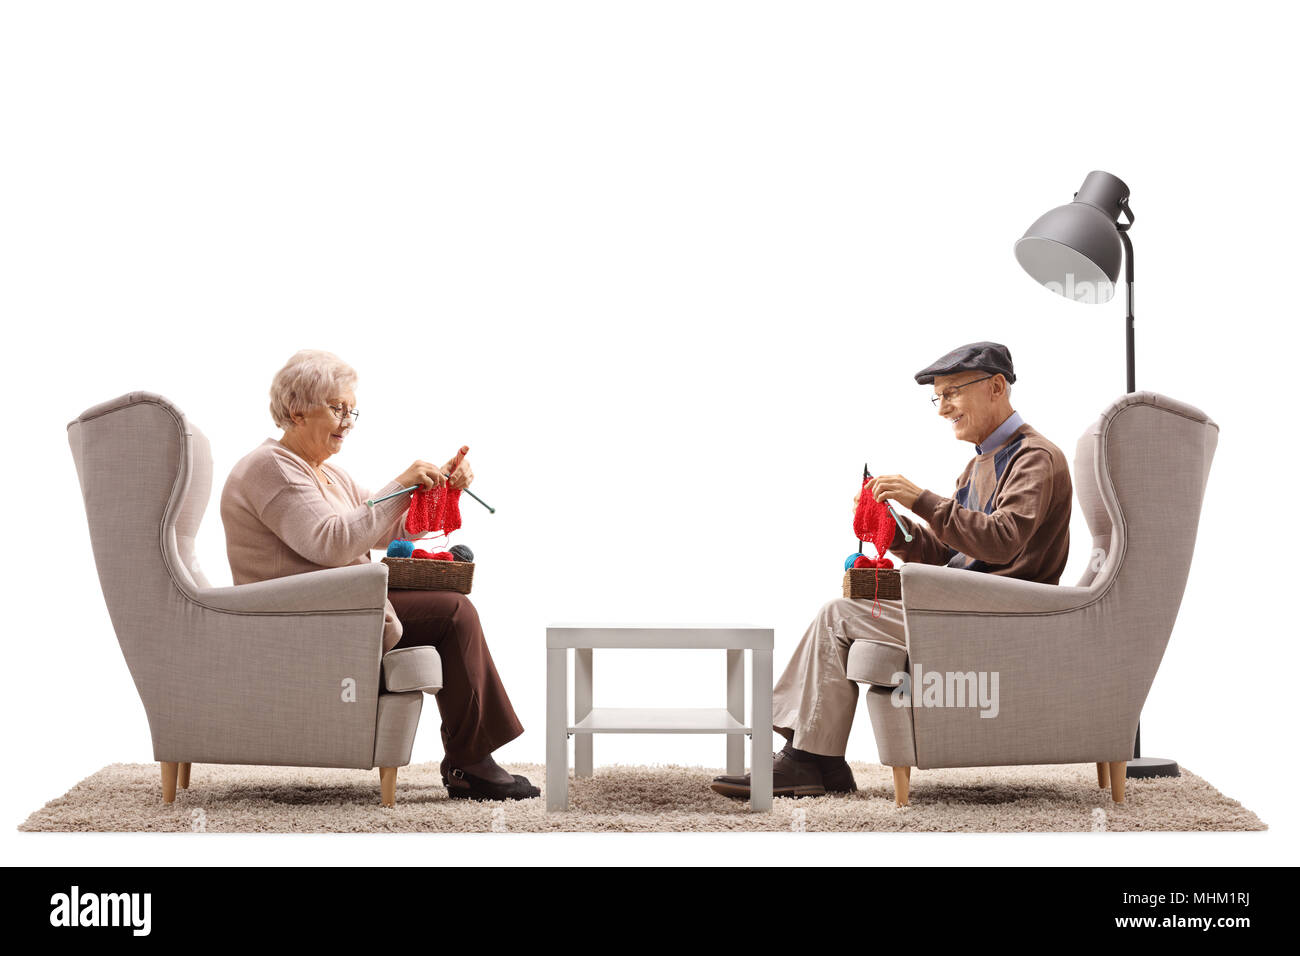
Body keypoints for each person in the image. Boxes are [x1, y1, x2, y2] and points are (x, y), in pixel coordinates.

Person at [711, 341, 1073, 800]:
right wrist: (900, 532)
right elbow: (950, 553)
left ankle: (811, 762)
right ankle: (820, 764)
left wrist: (919, 497)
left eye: (952, 394)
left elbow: (1001, 541)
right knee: (843, 611)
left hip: (999, 619)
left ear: (996, 386)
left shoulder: (1032, 457)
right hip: (968, 607)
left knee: (838, 614)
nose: (943, 409)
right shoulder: (979, 463)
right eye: (938, 398)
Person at [220, 349, 538, 801]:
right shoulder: (271, 468)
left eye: (352, 410)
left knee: (451, 604)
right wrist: (399, 484)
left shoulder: (324, 474)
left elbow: (387, 527)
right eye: (337, 408)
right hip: (299, 617)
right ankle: (470, 764)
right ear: (296, 409)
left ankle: (471, 761)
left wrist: (440, 485)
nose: (348, 421)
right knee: (452, 611)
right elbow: (331, 542)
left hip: (333, 604)